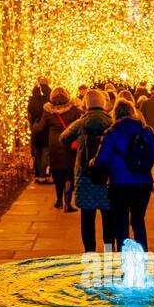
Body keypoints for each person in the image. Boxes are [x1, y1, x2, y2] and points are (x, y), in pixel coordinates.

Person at [93, 98, 154, 250]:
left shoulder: (111, 133)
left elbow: (102, 160)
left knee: (121, 224)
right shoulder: (146, 131)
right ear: (133, 112)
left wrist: (94, 166)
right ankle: (142, 257)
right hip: (142, 183)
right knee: (139, 221)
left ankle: (125, 260)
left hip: (118, 185)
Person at [60, 88, 115, 252]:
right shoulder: (111, 122)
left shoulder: (81, 123)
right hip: (107, 175)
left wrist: (76, 150)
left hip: (85, 176)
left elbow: (63, 138)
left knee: (87, 217)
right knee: (108, 217)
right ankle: (108, 249)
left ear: (86, 104)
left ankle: (90, 251)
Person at [43, 87, 81, 210]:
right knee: (69, 174)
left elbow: (40, 128)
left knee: (57, 174)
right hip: (69, 144)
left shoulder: (48, 112)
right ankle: (68, 201)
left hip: (54, 146)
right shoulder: (74, 110)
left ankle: (59, 200)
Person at [27, 77, 51, 182]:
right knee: (46, 151)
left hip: (35, 127)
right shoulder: (50, 98)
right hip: (46, 128)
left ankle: (37, 174)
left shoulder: (32, 99)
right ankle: (43, 174)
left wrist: (32, 125)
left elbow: (29, 115)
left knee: (37, 151)